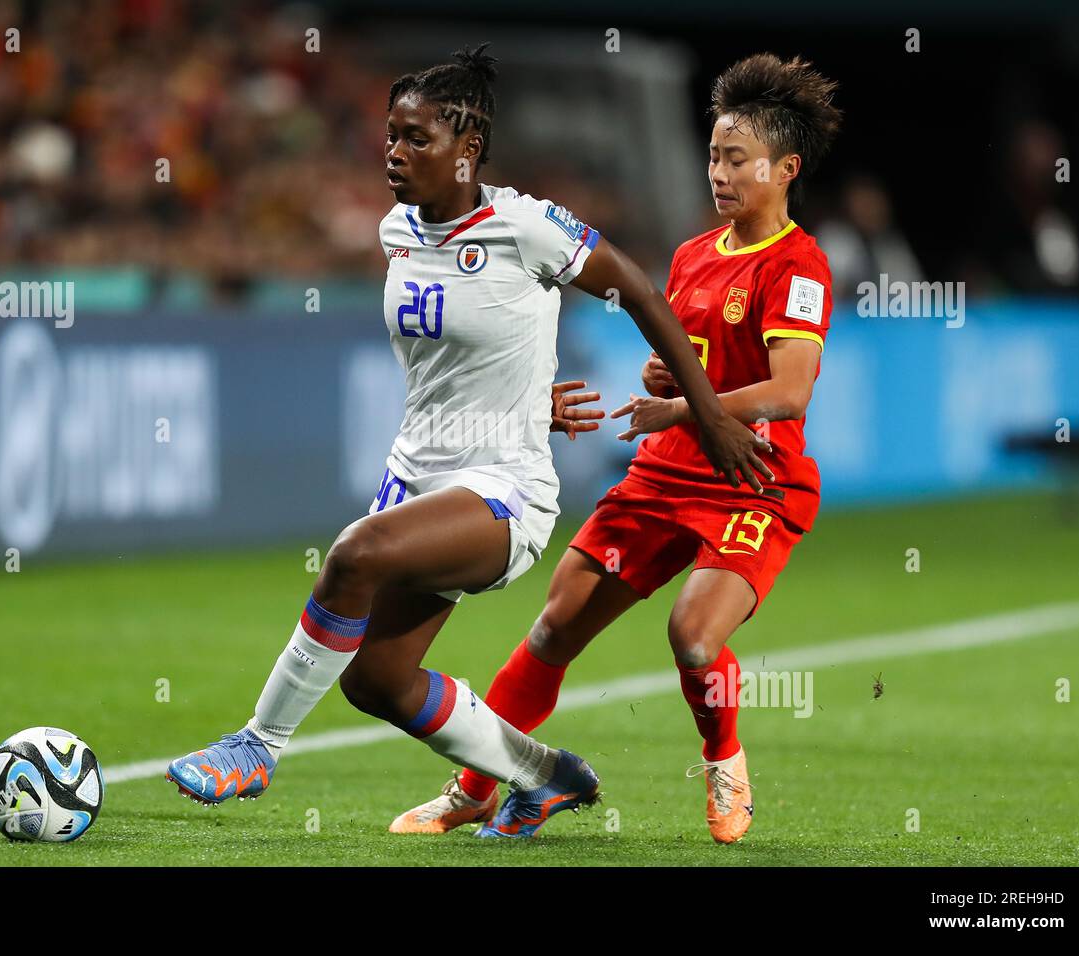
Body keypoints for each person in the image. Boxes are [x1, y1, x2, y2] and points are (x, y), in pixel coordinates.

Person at [165, 44, 772, 838]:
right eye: (391, 135)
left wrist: (712, 412)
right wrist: (528, 399)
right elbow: (461, 352)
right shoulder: (397, 230)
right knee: (377, 682)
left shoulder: (525, 225)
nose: (395, 153)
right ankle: (541, 775)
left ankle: (257, 744)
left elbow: (643, 295)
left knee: (354, 555)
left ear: (468, 150)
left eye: (418, 138)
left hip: (504, 493)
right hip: (415, 476)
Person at [389, 52, 841, 843]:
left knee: (693, 636)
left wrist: (677, 406)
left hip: (752, 483)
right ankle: (480, 788)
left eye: (737, 159)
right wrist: (665, 376)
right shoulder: (694, 256)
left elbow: (788, 392)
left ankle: (726, 762)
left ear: (785, 168)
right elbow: (688, 362)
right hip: (664, 477)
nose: (718, 172)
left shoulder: (799, 266)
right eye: (711, 155)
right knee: (555, 626)